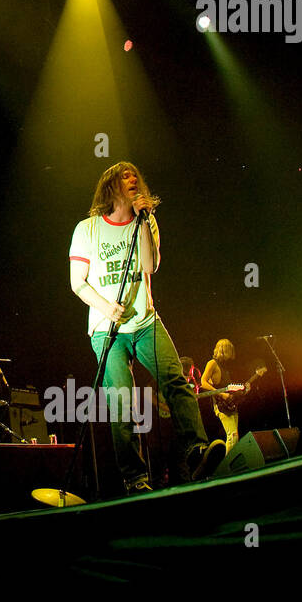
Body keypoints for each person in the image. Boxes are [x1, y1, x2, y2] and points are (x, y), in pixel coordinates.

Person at [69, 161, 225, 494]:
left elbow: (150, 265)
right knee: (123, 401)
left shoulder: (147, 221)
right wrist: (105, 306)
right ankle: (134, 478)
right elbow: (76, 283)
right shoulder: (88, 229)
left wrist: (143, 220)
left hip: (145, 322)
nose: (133, 181)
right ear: (111, 187)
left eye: (135, 177)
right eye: (125, 177)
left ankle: (198, 450)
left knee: (176, 381)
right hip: (105, 328)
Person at [201, 339, 241, 451]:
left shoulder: (225, 367)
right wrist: (222, 394)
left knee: (235, 437)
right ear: (224, 350)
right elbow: (203, 382)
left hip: (230, 404)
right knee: (232, 436)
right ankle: (227, 467)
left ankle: (233, 465)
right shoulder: (212, 363)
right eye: (230, 351)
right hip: (221, 405)